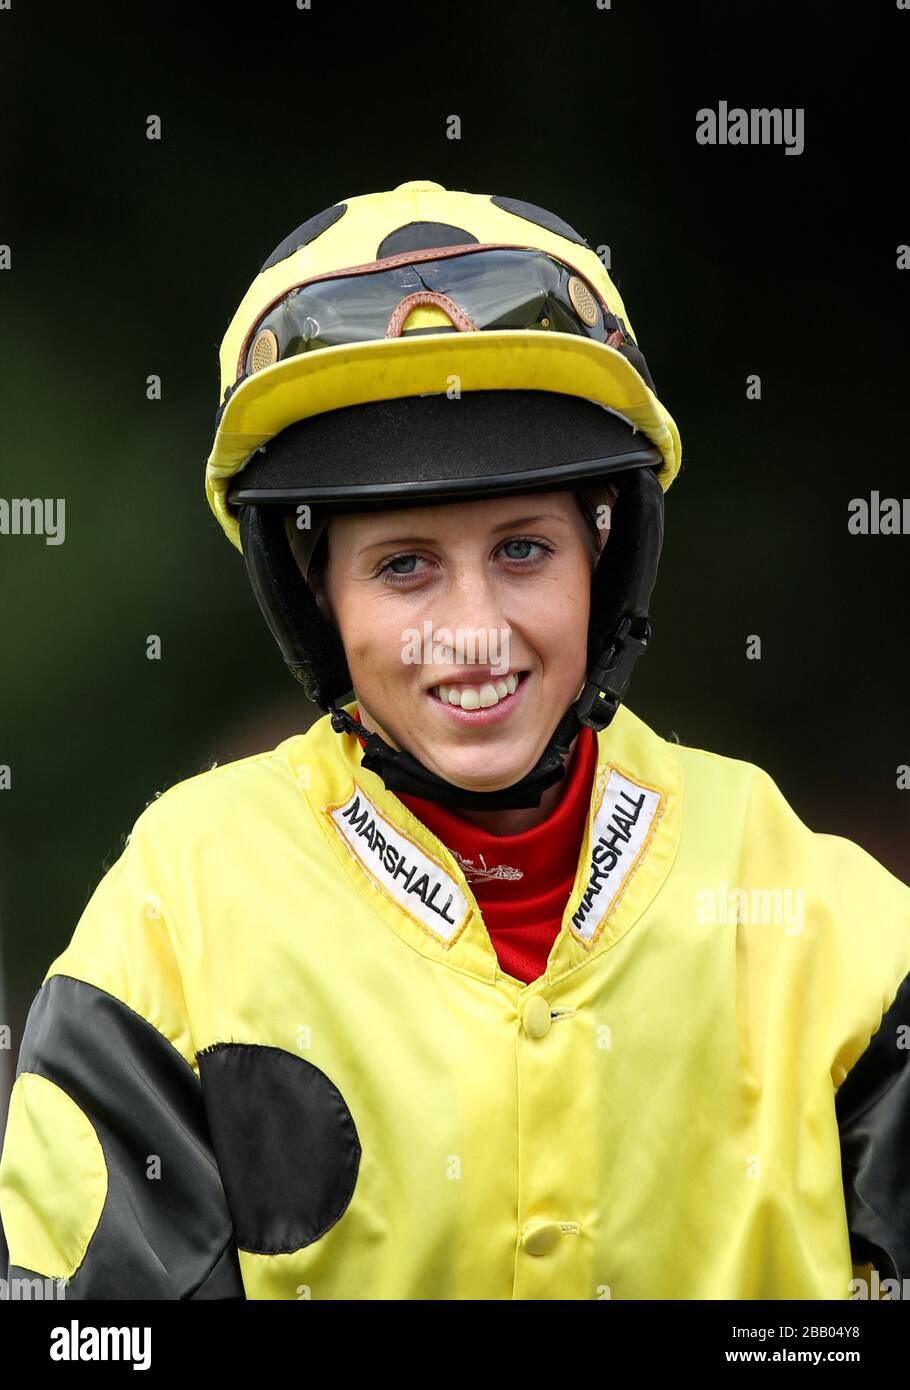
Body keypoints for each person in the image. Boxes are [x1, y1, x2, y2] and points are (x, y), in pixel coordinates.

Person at [1, 180, 908, 1302]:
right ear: (315, 593)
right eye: (403, 565)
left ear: (604, 561)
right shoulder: (171, 916)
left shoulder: (827, 918)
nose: (473, 630)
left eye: (524, 550)